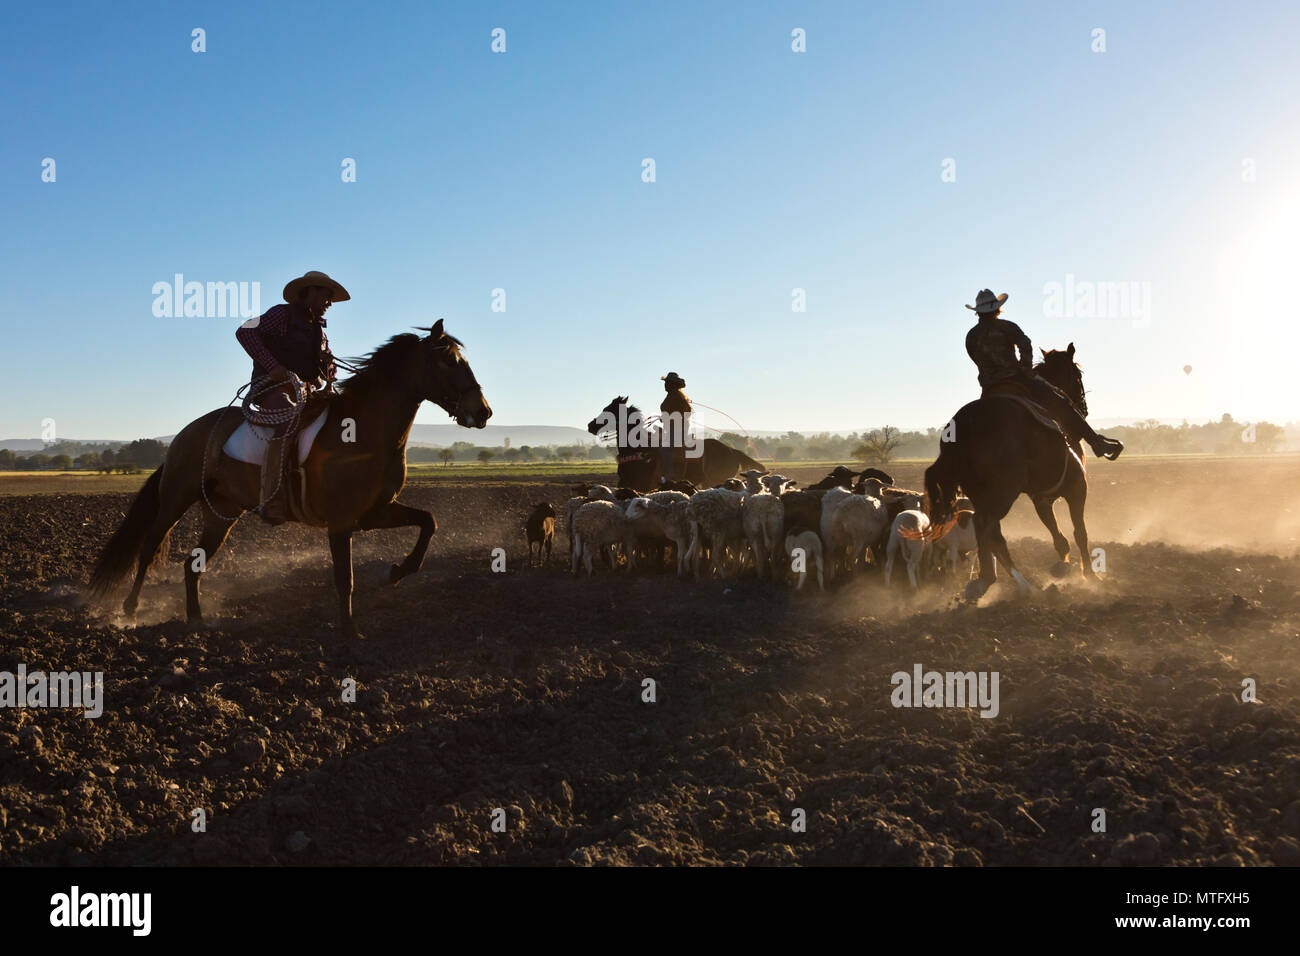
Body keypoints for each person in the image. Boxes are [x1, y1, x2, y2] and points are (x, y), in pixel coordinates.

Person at [236, 270, 349, 524]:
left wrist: (329, 370)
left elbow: (329, 366)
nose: (329, 303)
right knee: (287, 422)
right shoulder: (280, 314)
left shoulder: (320, 332)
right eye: (326, 296)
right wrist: (273, 366)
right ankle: (272, 498)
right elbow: (244, 331)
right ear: (309, 291)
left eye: (331, 298)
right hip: (272, 389)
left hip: (307, 393)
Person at [964, 289, 1123, 460]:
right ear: (997, 309)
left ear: (978, 312)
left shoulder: (971, 336)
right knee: (1061, 401)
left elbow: (976, 359)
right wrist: (1025, 370)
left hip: (990, 387)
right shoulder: (1007, 327)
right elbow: (1025, 345)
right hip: (1017, 380)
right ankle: (1097, 443)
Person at [658, 372, 692, 484]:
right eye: (665, 382)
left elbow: (683, 413)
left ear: (672, 384)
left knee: (665, 449)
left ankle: (669, 475)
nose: (665, 385)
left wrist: (667, 418)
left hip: (678, 430)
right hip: (672, 429)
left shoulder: (677, 396)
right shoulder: (673, 396)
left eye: (667, 382)